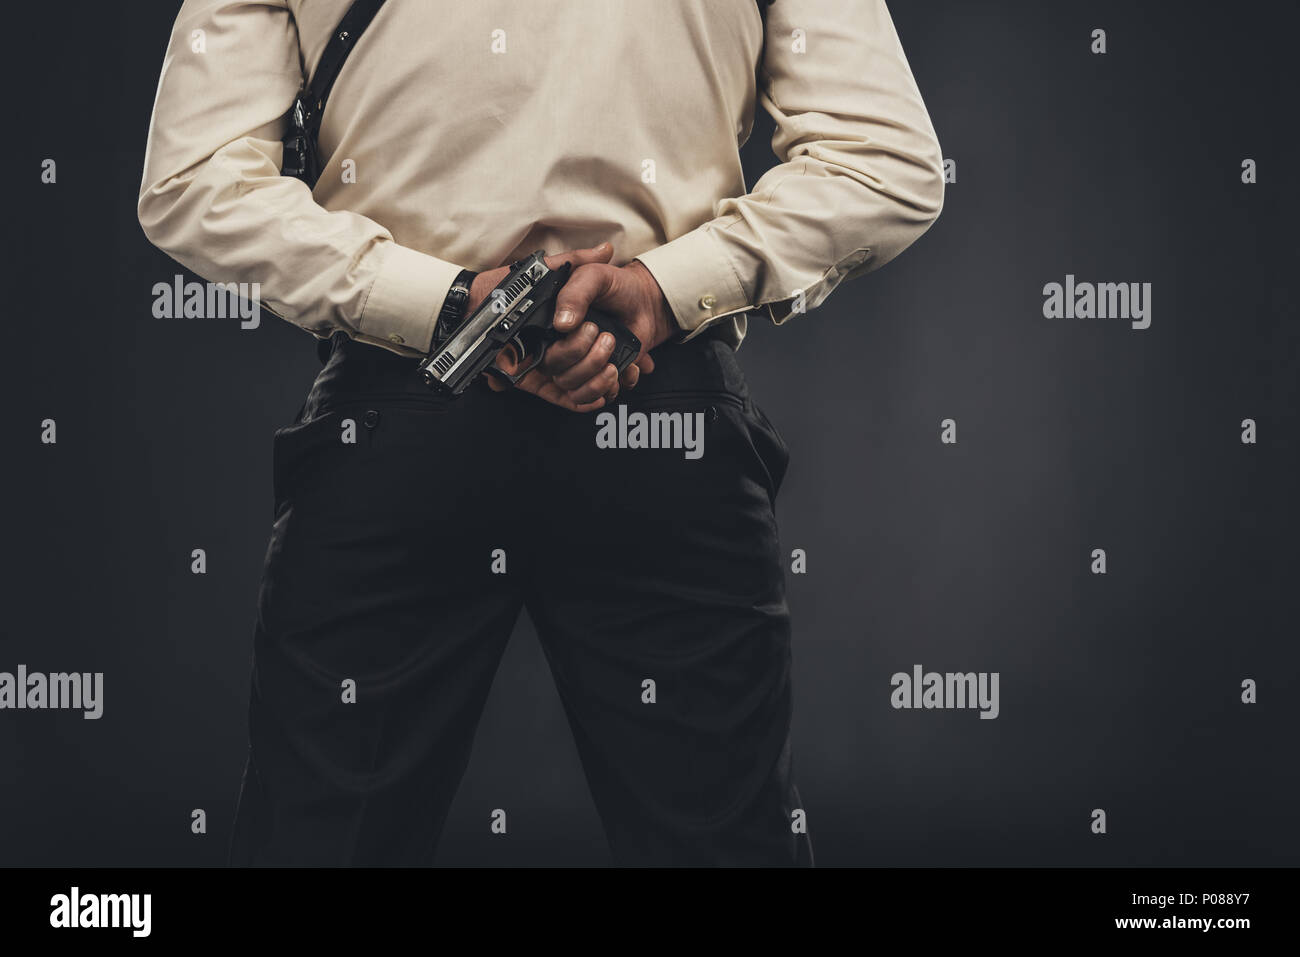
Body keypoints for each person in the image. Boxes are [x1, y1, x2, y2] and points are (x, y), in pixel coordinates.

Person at [137, 0, 944, 866]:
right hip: (661, 419)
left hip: (397, 418)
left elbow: (195, 178)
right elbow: (885, 163)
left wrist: (441, 306)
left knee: (320, 839)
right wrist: (662, 291)